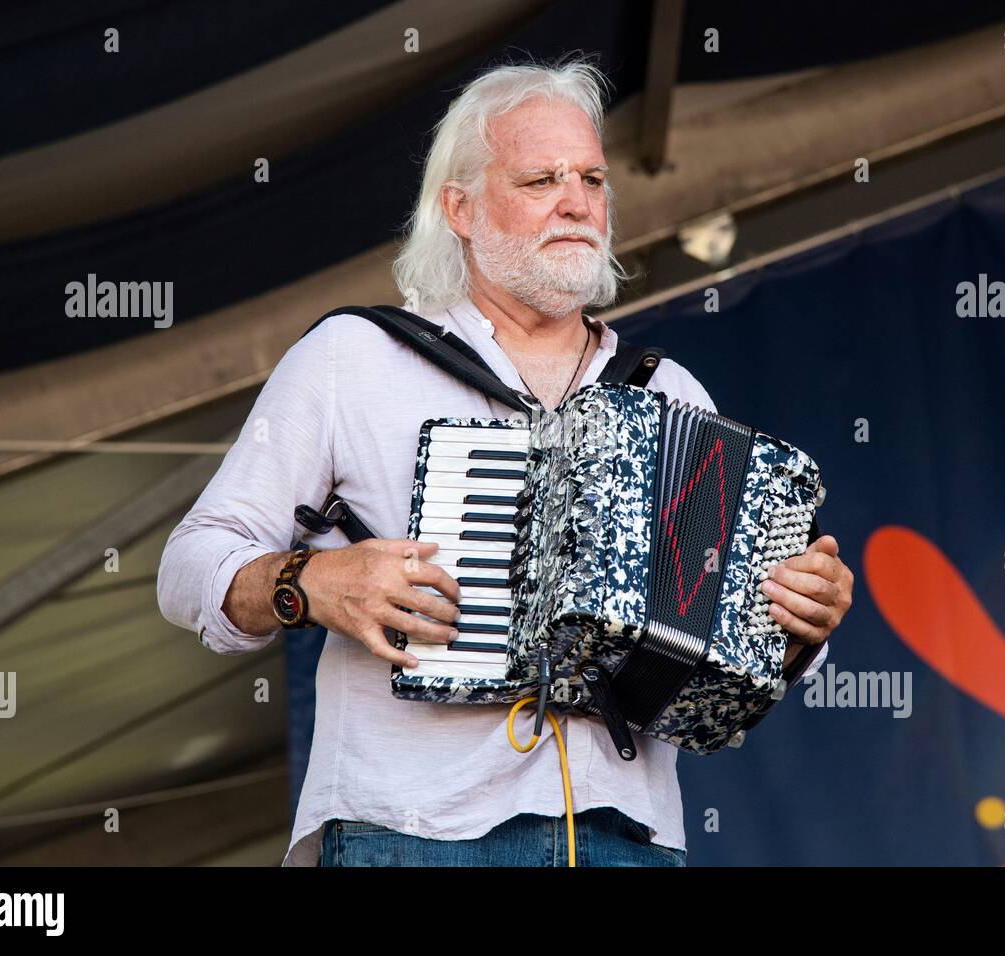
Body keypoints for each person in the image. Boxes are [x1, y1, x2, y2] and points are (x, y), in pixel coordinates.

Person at [156, 58, 854, 867]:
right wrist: (308, 584)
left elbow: (731, 644)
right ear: (459, 206)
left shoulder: (670, 392)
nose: (577, 202)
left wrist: (801, 617)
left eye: (592, 179)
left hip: (626, 836)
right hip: (414, 830)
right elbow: (189, 565)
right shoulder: (352, 359)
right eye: (540, 179)